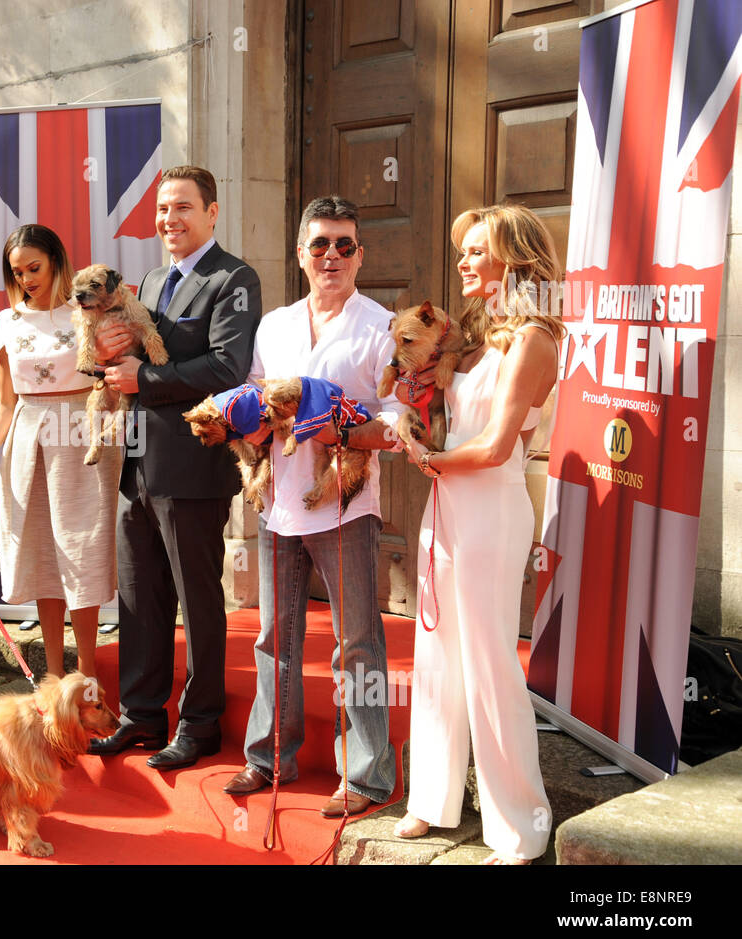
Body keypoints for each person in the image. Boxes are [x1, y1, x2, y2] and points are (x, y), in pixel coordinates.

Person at [219, 197, 401, 815]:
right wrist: (244, 419)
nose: (332, 256)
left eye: (344, 245)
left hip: (346, 508)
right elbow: (251, 397)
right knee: (275, 636)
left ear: (360, 255)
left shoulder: (383, 325)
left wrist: (338, 429)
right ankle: (269, 757)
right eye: (320, 244)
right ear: (300, 253)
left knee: (356, 642)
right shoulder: (274, 325)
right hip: (277, 505)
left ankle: (369, 774)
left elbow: (397, 424)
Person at [393, 204, 560, 864]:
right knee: (436, 654)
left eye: (476, 250)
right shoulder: (476, 331)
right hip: (449, 500)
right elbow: (452, 425)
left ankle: (520, 826)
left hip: (490, 506)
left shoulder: (534, 339)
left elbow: (493, 449)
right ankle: (432, 802)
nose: (462, 260)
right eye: (462, 250)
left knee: (491, 665)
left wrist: (427, 459)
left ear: (513, 259)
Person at [88, 166, 262, 769]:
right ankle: (141, 715)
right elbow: (130, 357)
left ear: (212, 213)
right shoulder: (153, 278)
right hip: (135, 462)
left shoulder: (234, 278)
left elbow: (227, 369)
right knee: (139, 596)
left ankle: (202, 723)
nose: (169, 219)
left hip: (192, 466)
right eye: (162, 209)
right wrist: (108, 365)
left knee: (197, 600)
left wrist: (148, 378)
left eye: (183, 207)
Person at [0, 224, 117, 679]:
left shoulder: (92, 314)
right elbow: (6, 402)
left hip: (81, 437)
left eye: (34, 267)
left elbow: (113, 385)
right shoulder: (8, 322)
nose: (26, 278)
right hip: (28, 442)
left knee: (79, 554)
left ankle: (86, 676)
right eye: (17, 271)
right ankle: (54, 678)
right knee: (44, 554)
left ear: (58, 262)